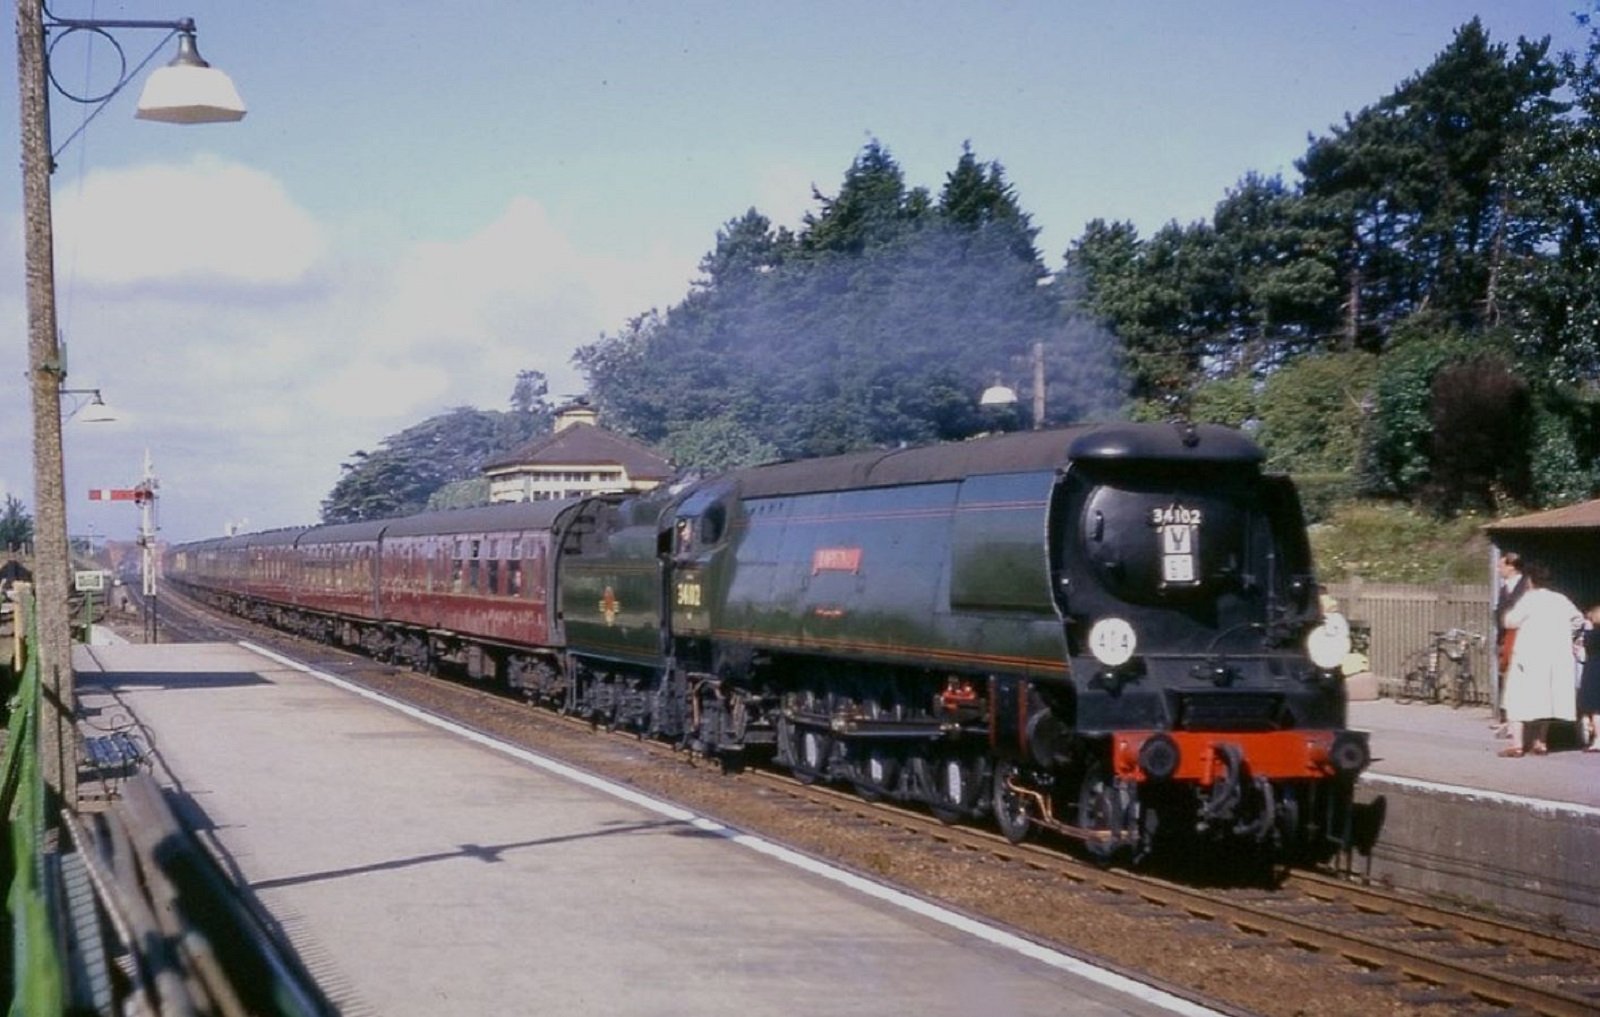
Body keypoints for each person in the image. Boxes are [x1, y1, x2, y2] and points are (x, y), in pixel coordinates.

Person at [1499, 563, 1583, 757]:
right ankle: (1540, 742)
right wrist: (1567, 636)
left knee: (1517, 699)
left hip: (1529, 655)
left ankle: (1517, 744)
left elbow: (1510, 621)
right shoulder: (1560, 599)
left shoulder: (1530, 599)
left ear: (1530, 580)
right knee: (1545, 699)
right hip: (1555, 656)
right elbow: (1578, 619)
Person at [1491, 552, 1529, 736]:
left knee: (1517, 680)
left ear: (1512, 566)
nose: (1499, 569)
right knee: (1505, 677)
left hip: (1520, 638)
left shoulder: (1525, 586)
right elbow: (1500, 611)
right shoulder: (1504, 586)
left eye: (1501, 566)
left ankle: (1517, 721)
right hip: (1505, 636)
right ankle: (1506, 718)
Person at [1580, 605, 1600, 753]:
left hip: (1594, 671)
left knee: (1596, 709)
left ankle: (1598, 739)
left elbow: (1584, 650)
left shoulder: (1592, 636)